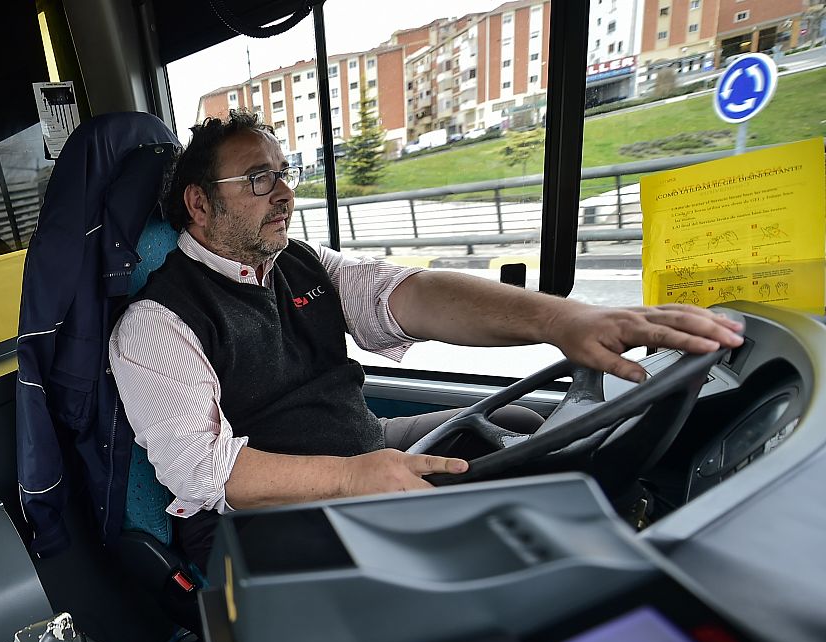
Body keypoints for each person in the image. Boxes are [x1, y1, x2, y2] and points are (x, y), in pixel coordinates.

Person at [109, 111, 743, 570]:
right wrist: (356, 478)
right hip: (255, 526)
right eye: (257, 179)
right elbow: (203, 474)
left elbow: (411, 296)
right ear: (198, 204)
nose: (284, 193)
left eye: (284, 172)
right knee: (495, 515)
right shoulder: (158, 323)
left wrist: (562, 322)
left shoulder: (299, 263)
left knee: (529, 422)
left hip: (358, 452)